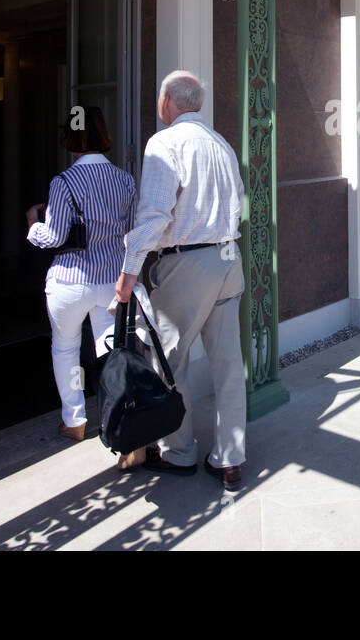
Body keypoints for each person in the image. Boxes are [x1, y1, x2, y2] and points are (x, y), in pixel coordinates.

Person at [114, 71, 247, 491]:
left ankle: (179, 451)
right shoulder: (221, 144)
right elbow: (240, 199)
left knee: (169, 360)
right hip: (229, 259)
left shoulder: (164, 142)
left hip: (189, 263)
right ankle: (230, 459)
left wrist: (128, 269)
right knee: (228, 363)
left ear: (166, 100)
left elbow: (154, 214)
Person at [26, 106, 136, 443]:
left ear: (71, 139)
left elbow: (55, 237)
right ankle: (117, 419)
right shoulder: (125, 179)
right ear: (103, 134)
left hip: (71, 280)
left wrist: (33, 223)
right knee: (111, 354)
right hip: (111, 279)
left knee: (65, 348)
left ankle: (74, 420)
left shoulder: (64, 181)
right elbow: (131, 231)